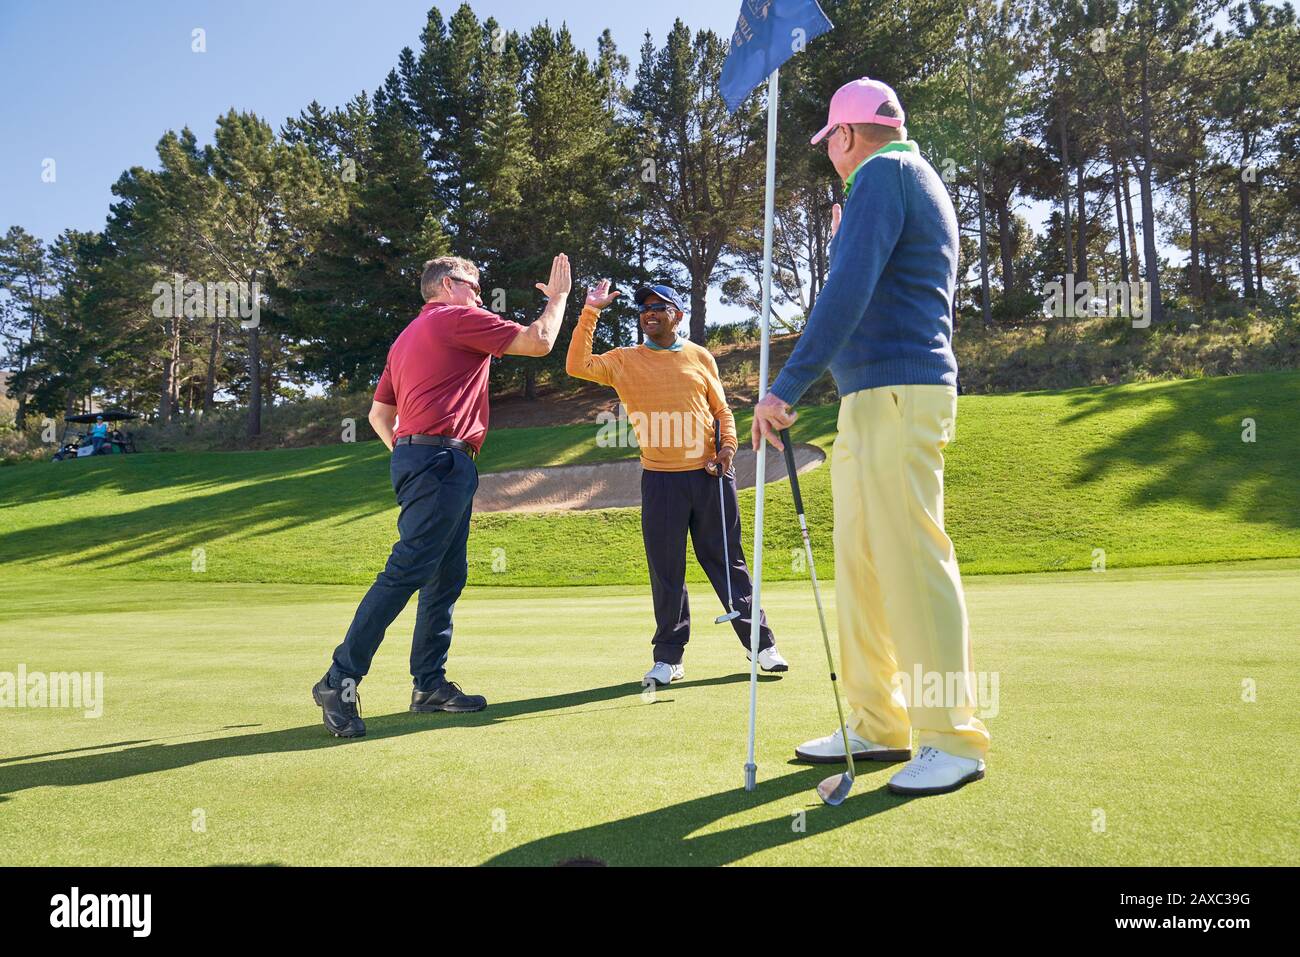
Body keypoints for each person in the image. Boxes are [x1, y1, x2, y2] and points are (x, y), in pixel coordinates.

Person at [751, 77, 990, 796]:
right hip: (868, 399)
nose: (830, 155)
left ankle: (951, 738)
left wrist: (785, 386)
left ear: (848, 135)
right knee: (862, 564)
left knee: (912, 563)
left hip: (899, 392)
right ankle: (878, 722)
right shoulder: (892, 183)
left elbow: (845, 292)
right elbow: (865, 282)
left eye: (829, 142)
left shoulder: (885, 174)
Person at [312, 253, 572, 737]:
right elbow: (540, 342)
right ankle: (338, 680)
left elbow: (378, 417)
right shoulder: (457, 317)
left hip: (429, 460)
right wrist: (557, 298)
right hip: (440, 461)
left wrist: (410, 452)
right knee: (407, 571)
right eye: (474, 284)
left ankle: (428, 684)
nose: (480, 293)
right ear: (449, 285)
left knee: (445, 577)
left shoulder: (406, 337)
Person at [567, 280, 788, 686]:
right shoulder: (623, 360)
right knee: (666, 570)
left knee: (729, 563)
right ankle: (668, 658)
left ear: (678, 315)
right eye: (643, 308)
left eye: (658, 306)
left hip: (711, 477)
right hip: (661, 481)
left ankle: (762, 645)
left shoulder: (700, 356)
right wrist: (591, 311)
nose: (648, 313)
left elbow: (721, 410)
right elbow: (577, 365)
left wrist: (727, 448)